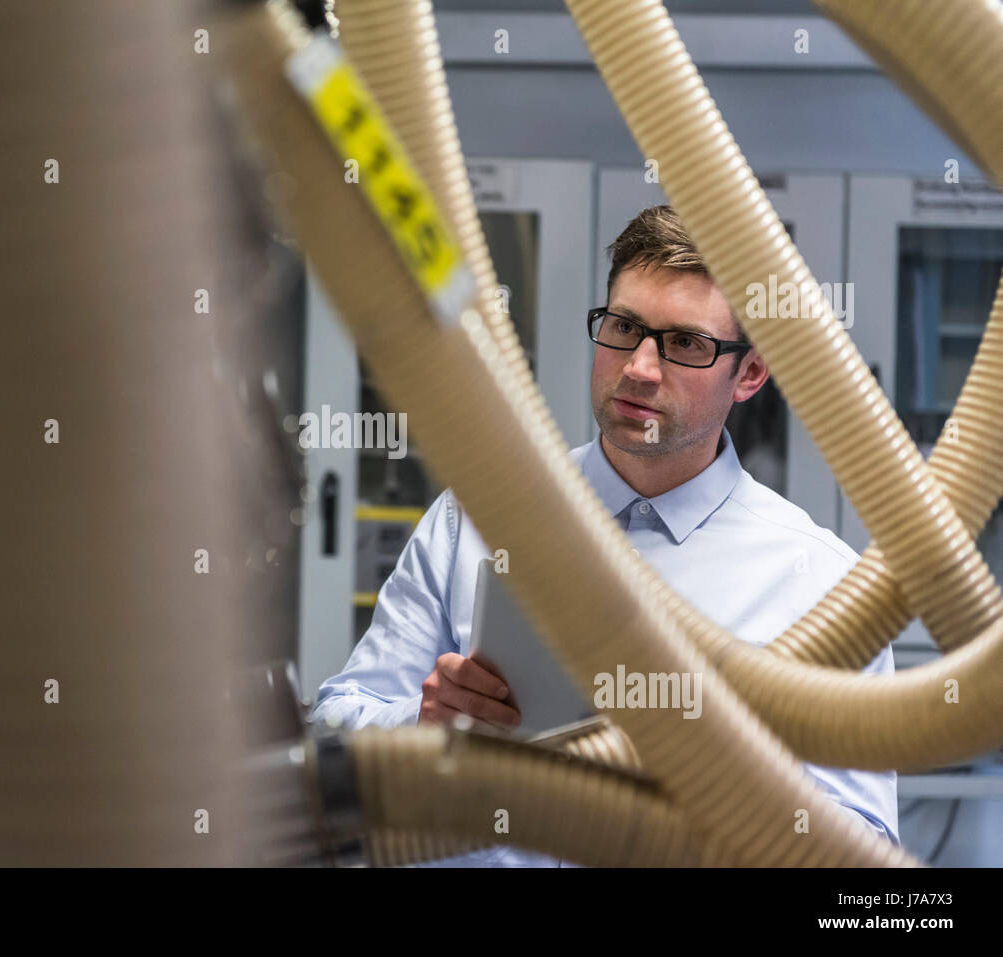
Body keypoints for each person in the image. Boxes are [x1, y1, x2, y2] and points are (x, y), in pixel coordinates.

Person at [309, 205, 898, 866]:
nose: (641, 367)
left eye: (685, 343)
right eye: (624, 328)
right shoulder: (474, 515)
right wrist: (419, 729)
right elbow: (333, 724)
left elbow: (865, 855)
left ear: (751, 373)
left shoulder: (824, 585)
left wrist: (734, 782)